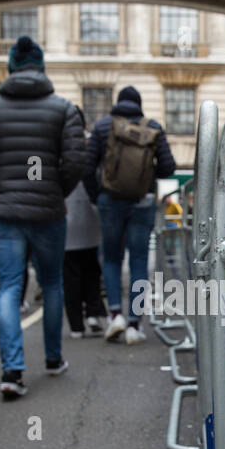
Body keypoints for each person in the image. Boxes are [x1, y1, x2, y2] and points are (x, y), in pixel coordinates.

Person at [0, 35, 85, 400]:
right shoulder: (63, 109)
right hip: (48, 210)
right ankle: (52, 358)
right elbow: (76, 162)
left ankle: (12, 371)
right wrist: (54, 190)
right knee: (51, 284)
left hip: (5, 212)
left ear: (10, 68)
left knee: (10, 286)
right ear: (42, 68)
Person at [83, 86, 176, 344]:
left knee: (111, 258)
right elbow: (169, 167)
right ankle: (135, 324)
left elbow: (86, 167)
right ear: (139, 103)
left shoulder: (103, 127)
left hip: (110, 201)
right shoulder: (153, 126)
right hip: (143, 202)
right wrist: (145, 176)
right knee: (138, 261)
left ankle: (115, 316)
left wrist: (97, 195)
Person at [63, 143, 106, 338]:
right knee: (91, 270)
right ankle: (94, 314)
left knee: (69, 275)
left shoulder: (52, 146)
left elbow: (35, 174)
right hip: (89, 216)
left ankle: (75, 325)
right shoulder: (89, 147)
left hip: (63, 217)